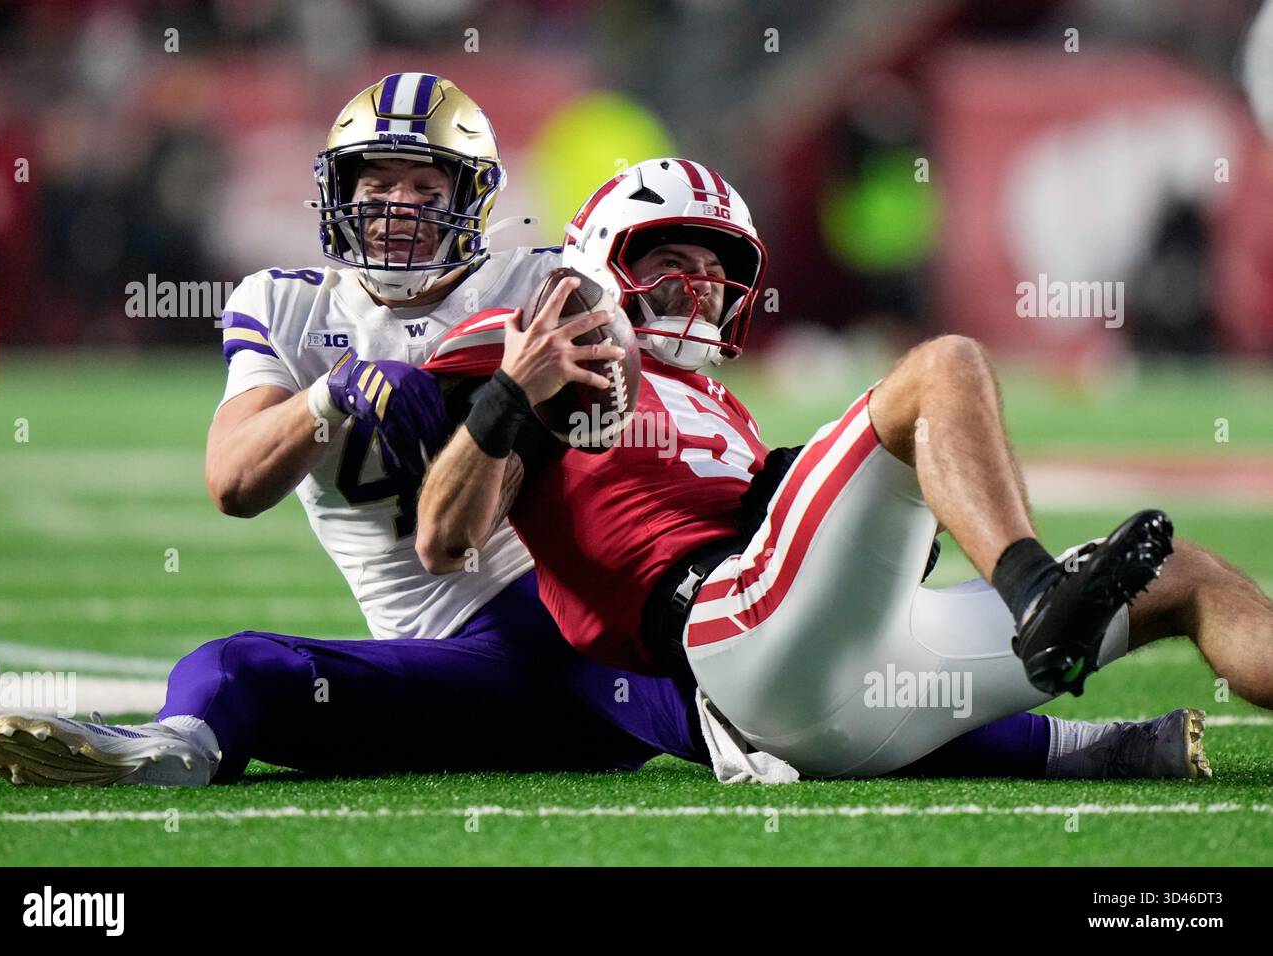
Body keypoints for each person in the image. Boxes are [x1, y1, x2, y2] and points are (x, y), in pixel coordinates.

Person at [412, 158, 1269, 781]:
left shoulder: (727, 411)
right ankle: (1033, 590)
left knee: (1188, 575)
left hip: (863, 679)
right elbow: (444, 540)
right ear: (603, 261)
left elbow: (806, 531)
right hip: (733, 642)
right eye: (672, 259)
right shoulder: (549, 351)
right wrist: (509, 394)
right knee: (944, 366)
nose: (701, 285)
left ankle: (1039, 599)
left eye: (718, 271)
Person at [0, 75, 701, 786]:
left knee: (716, 660)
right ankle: (175, 752)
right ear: (340, 194)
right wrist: (329, 396)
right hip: (468, 679)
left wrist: (527, 390)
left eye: (427, 189)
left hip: (592, 644)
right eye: (378, 186)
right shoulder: (285, 305)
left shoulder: (541, 288)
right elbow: (233, 483)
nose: (400, 208)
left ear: (473, 200)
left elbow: (639, 402)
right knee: (232, 670)